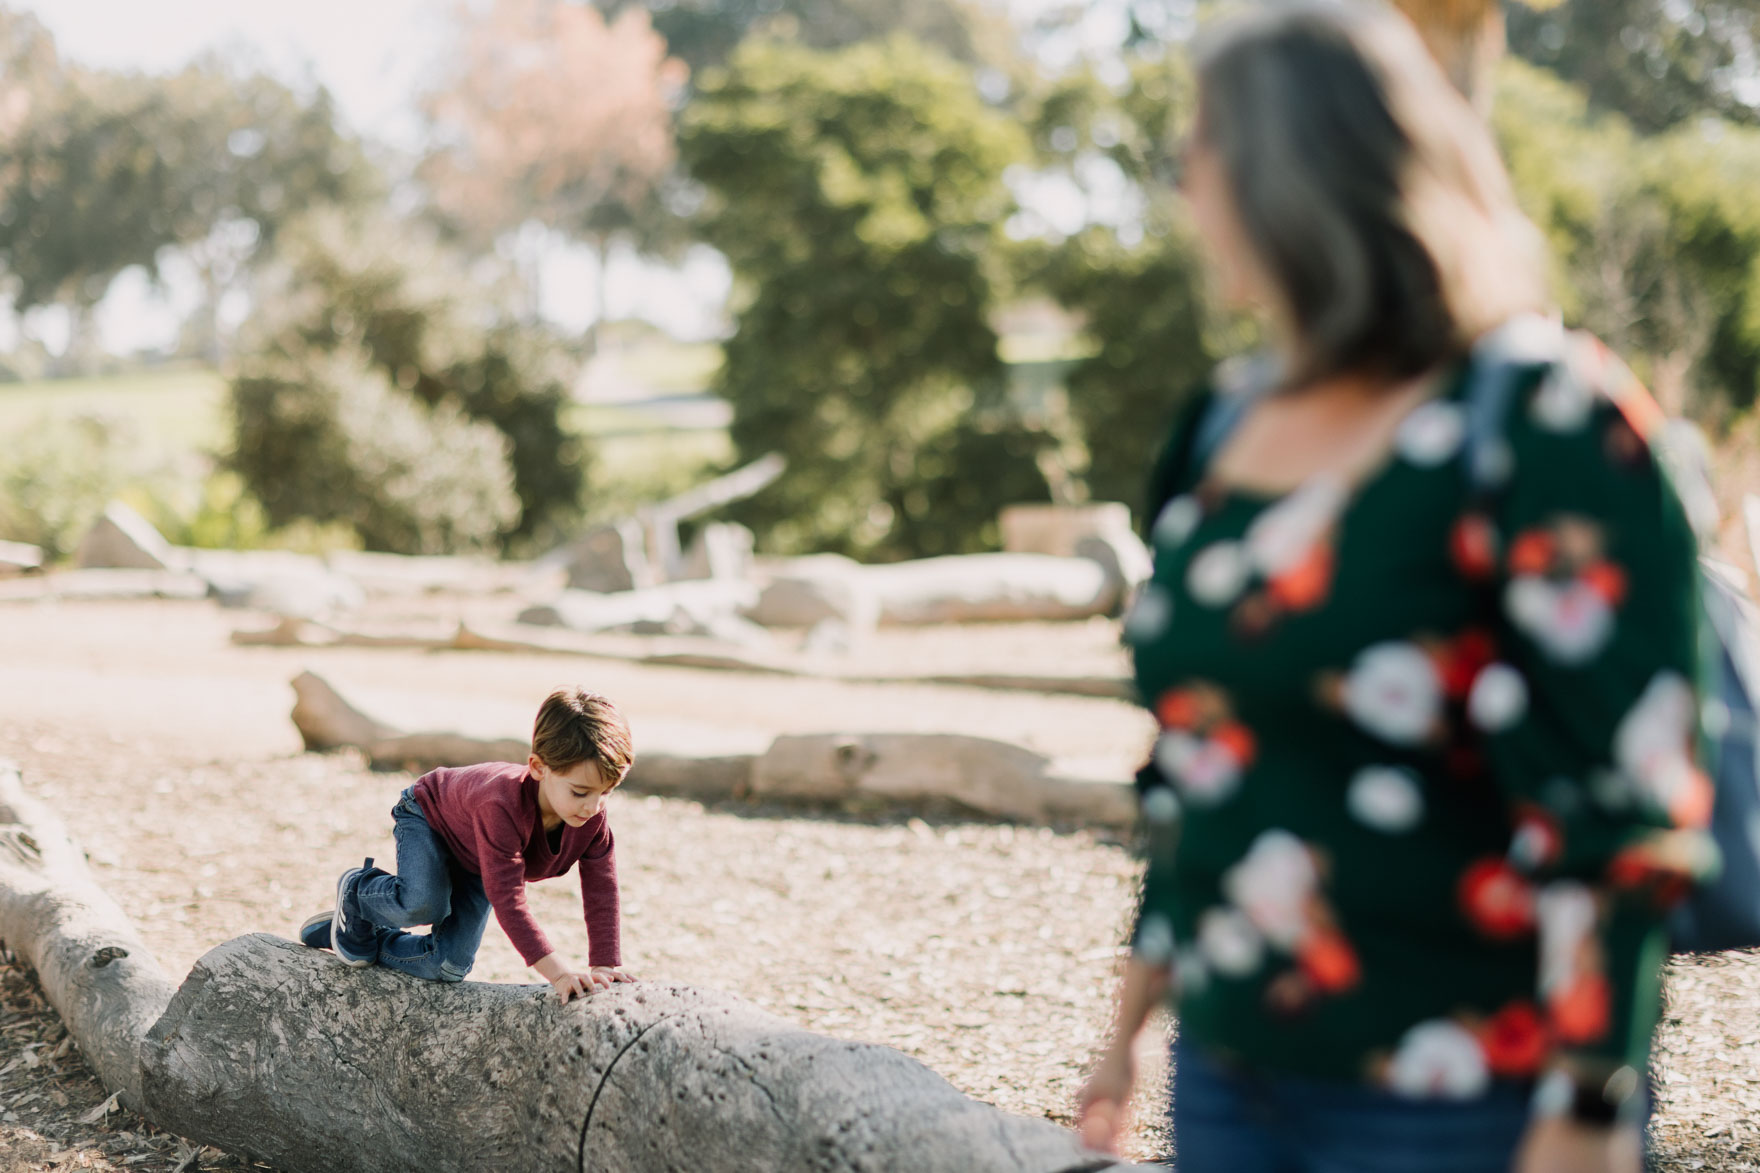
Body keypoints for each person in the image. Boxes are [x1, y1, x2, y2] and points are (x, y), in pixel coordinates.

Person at [1075, 5, 1714, 1171]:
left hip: (1461, 1094)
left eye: (1196, 152)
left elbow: (1623, 806)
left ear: (1288, 170)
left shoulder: (1543, 419)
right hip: (1226, 1073)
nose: (1181, 190)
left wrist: (1583, 1114)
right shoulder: (1224, 420)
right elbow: (1196, 760)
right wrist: (1127, 1027)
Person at [299, 686, 636, 1002]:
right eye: (580, 792)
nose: (593, 807)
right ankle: (359, 891)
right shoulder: (501, 805)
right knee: (423, 904)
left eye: (605, 792)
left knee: (448, 966)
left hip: (478, 859)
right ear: (538, 768)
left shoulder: (591, 821)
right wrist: (558, 973)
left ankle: (357, 931)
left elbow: (602, 887)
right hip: (430, 816)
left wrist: (604, 964)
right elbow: (509, 899)